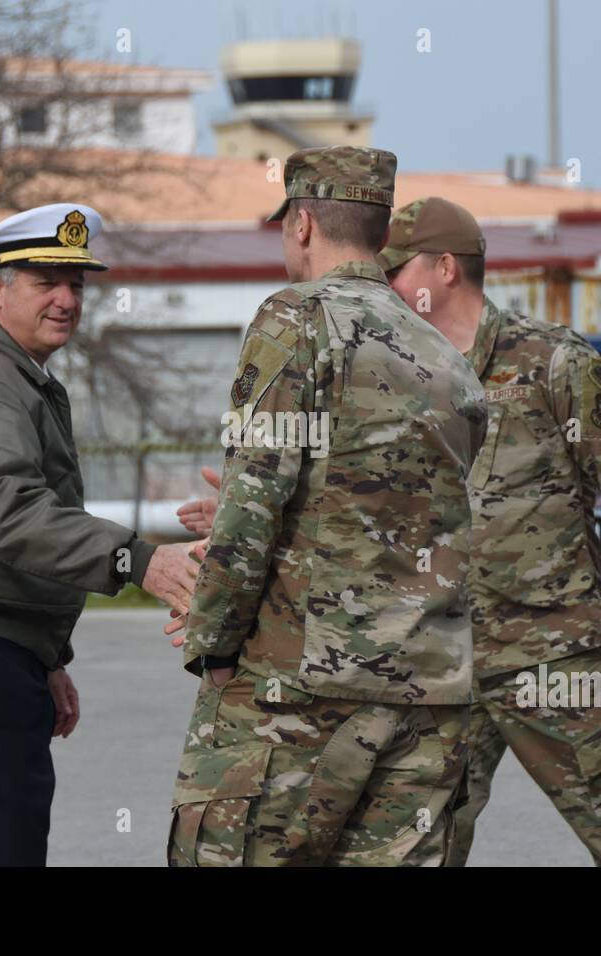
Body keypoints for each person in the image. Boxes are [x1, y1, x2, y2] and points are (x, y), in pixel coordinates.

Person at [168, 147, 487, 867]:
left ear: (303, 224)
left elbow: (255, 498)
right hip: (427, 694)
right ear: (382, 232)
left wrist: (214, 646)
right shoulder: (444, 355)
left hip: (299, 691)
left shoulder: (296, 318)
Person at [0, 202, 203, 865]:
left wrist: (44, 654)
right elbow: (12, 515)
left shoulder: (11, 375)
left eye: (76, 284)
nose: (67, 300)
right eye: (46, 281)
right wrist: (138, 560)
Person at [376, 196, 601, 866]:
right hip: (440, 662)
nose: (385, 289)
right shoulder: (399, 376)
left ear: (445, 268)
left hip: (554, 653)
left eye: (395, 271)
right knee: (410, 846)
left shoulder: (552, 360)